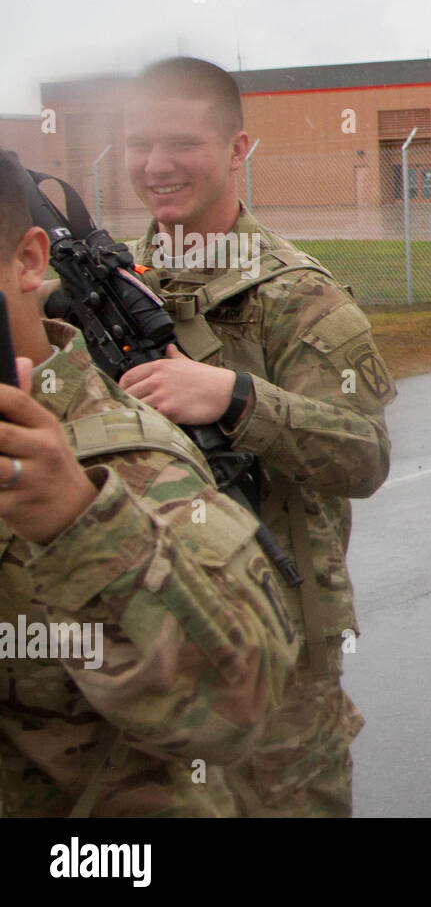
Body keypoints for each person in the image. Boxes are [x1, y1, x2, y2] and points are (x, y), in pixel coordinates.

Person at [118, 58, 396, 816]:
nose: (156, 165)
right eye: (139, 144)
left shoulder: (294, 293)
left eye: (181, 143)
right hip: (140, 629)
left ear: (239, 149)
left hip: (274, 641)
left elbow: (364, 454)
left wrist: (234, 397)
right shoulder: (113, 286)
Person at [0, 148, 296, 816]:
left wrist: (76, 524)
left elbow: (239, 704)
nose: (158, 165)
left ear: (28, 260)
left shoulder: (128, 462)